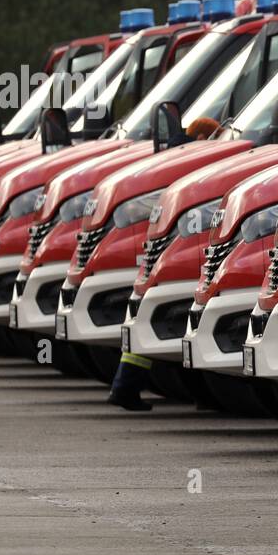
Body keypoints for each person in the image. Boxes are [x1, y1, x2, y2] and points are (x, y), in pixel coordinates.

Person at [107, 115, 216, 411]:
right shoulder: (198, 163)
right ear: (204, 138)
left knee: (155, 319)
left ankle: (125, 386)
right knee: (178, 322)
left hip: (155, 252)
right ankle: (199, 395)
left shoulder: (172, 159)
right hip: (172, 254)